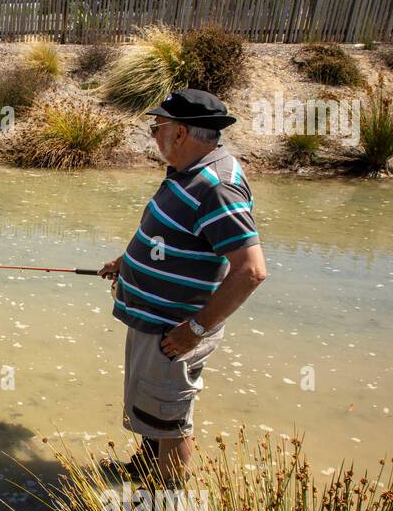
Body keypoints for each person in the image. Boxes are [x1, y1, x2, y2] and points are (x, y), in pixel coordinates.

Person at [99, 89, 268, 483]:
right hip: (158, 326)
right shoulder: (187, 173)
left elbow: (251, 271)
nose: (152, 134)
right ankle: (142, 470)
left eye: (156, 127)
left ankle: (162, 509)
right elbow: (170, 236)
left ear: (180, 134)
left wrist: (194, 330)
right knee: (150, 409)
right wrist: (129, 262)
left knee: (170, 420)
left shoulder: (216, 186)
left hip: (173, 332)